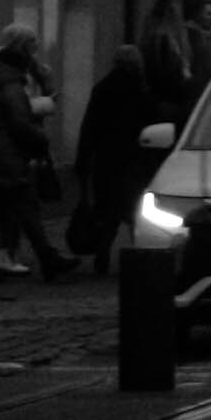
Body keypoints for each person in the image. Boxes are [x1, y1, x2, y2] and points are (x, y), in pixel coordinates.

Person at [0, 25, 69, 281]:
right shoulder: (10, 86)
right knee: (26, 208)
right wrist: (40, 139)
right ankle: (47, 258)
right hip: (8, 156)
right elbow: (19, 123)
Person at [71, 43, 153, 269]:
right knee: (134, 211)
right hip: (133, 159)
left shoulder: (103, 88)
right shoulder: (140, 90)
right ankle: (143, 257)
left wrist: (83, 160)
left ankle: (103, 254)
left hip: (106, 159)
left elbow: (90, 127)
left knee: (109, 212)